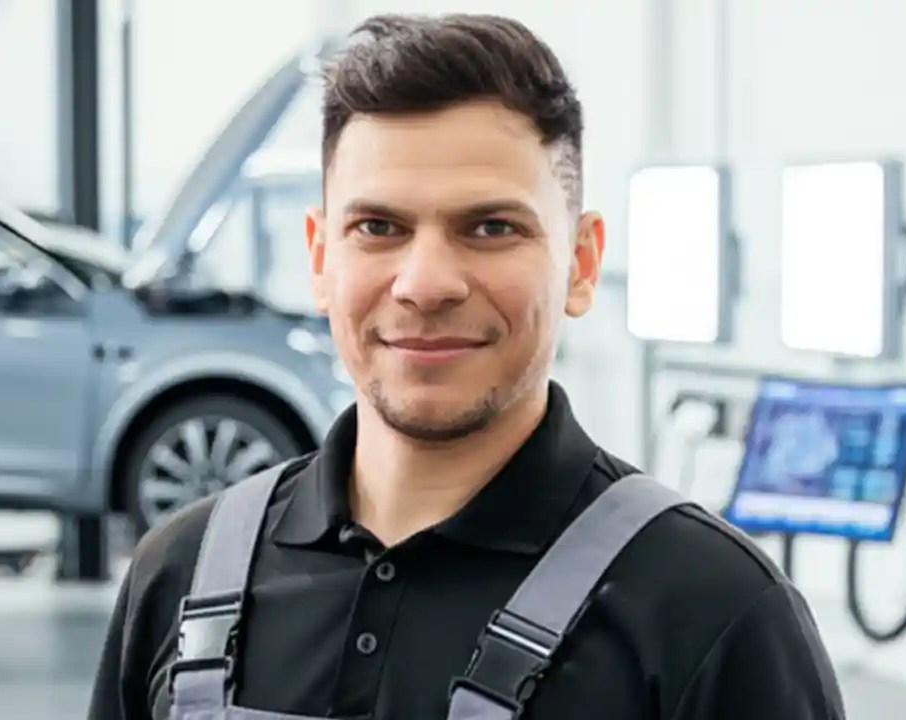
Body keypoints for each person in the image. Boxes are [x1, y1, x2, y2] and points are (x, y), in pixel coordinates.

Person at [89, 13, 846, 720]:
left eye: (490, 227)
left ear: (581, 264)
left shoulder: (713, 612)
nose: (425, 284)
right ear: (321, 259)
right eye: (378, 226)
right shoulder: (180, 575)